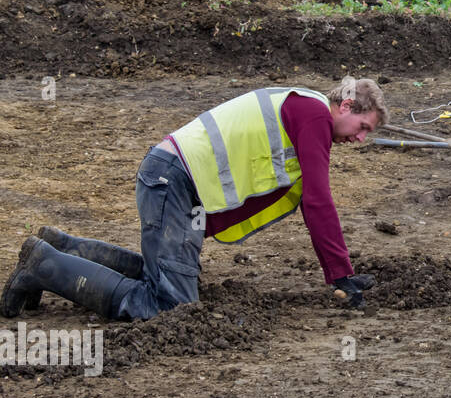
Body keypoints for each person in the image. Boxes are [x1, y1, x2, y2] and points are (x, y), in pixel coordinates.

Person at [2, 78, 387, 320]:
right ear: (348, 106)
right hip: (174, 182)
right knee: (168, 306)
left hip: (173, 181)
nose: (360, 138)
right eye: (362, 127)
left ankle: (61, 248)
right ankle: (46, 265)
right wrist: (340, 274)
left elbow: (306, 198)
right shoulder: (314, 115)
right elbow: (318, 201)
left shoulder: (304, 109)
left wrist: (340, 273)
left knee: (161, 278)